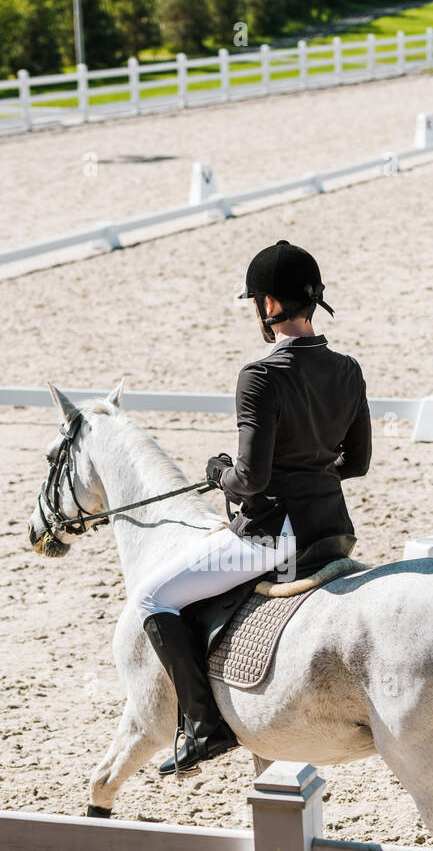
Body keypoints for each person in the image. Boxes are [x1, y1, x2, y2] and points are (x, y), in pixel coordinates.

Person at [132, 239, 372, 775]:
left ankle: (202, 724)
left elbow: (253, 477)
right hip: (333, 530)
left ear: (267, 306)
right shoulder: (349, 368)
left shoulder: (261, 376)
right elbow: (355, 463)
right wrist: (309, 475)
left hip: (273, 536)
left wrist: (219, 474)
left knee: (152, 597)